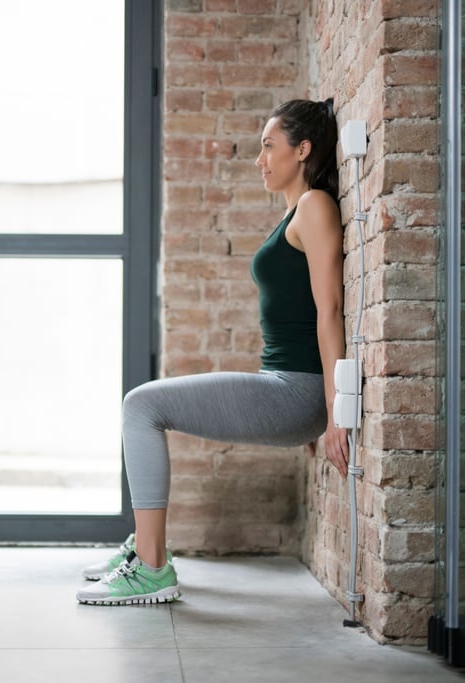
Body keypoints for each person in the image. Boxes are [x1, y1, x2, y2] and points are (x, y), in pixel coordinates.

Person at [77, 98, 350, 606]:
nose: (259, 158)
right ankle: (146, 550)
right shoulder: (296, 211)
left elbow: (329, 311)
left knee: (141, 405)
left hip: (296, 390)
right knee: (143, 406)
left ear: (303, 149)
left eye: (269, 146)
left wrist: (330, 410)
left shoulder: (314, 206)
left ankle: (153, 567)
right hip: (292, 390)